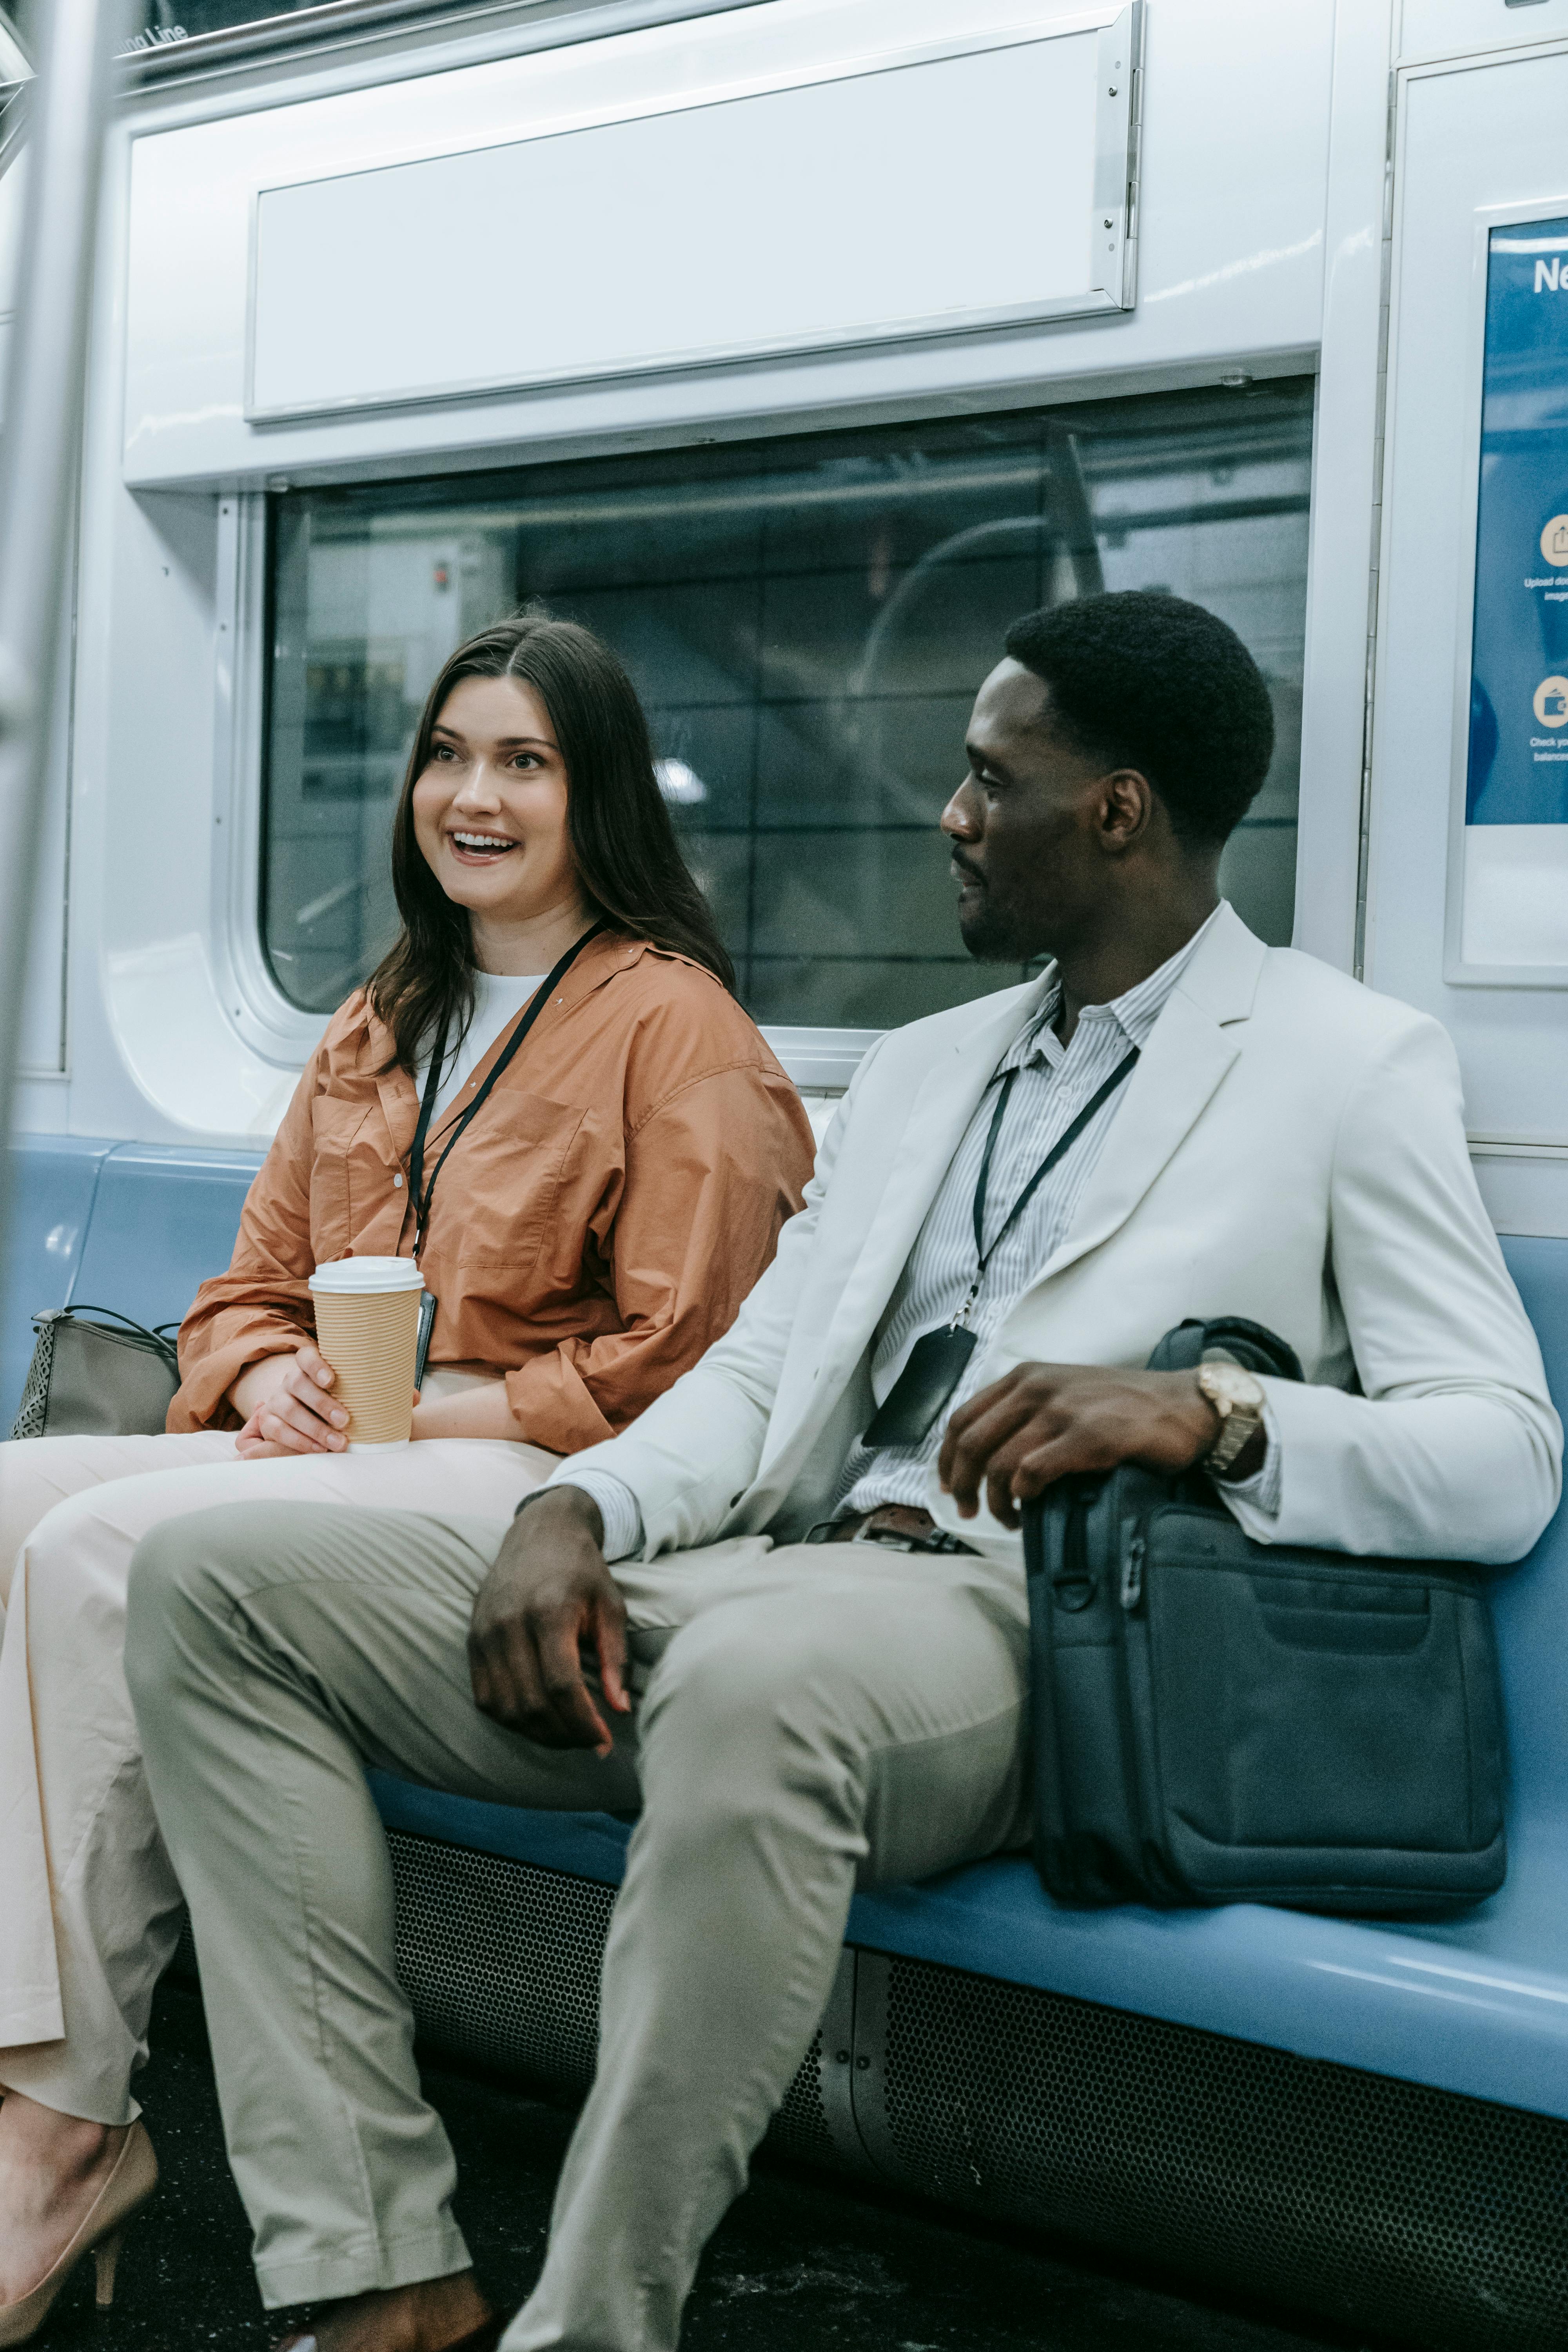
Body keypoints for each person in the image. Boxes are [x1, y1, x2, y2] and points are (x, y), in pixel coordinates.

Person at [125, 591, 1559, 2352]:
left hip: (1029, 1624)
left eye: (986, 779)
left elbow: (1499, 1456)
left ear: (1113, 811)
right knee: (217, 1583)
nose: (947, 817)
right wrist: (580, 1508)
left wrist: (1208, 1415)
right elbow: (759, 1379)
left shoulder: (1346, 1064)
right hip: (771, 1571)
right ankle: (371, 2269)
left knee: (750, 1684)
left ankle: (594, 2324)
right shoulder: (926, 1069)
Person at [0, 611, 813, 2345]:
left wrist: (439, 1407)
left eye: (523, 760)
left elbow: (699, 1364)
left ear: (595, 796)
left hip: (522, 1481)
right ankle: (13, 2070)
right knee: (7, 1500)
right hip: (351, 1445)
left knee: (97, 1556)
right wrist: (265, 1366)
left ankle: (66, 2130)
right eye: (450, 755)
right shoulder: (382, 1019)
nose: (473, 794)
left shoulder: (681, 1035)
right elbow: (238, 1291)